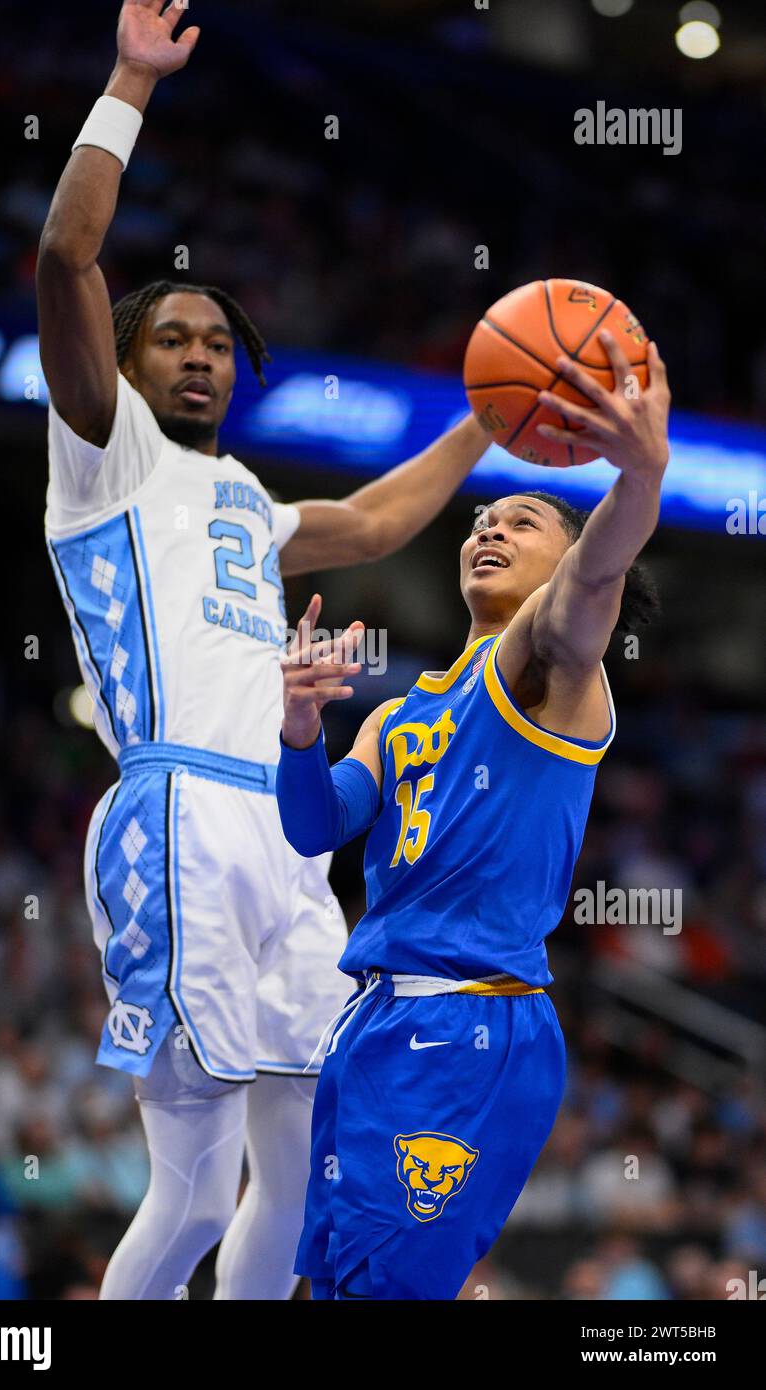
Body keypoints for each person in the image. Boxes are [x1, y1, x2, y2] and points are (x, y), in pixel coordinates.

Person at [36, 0, 494, 1300]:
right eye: (171, 336)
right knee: (193, 1184)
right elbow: (65, 255)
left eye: (217, 341)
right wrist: (129, 78)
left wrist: (488, 419)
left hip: (288, 840)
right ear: (124, 364)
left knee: (295, 1171)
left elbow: (370, 520)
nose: (199, 354)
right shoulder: (103, 453)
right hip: (176, 810)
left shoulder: (242, 496)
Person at [276, 333, 670, 1299]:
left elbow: (594, 579)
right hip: (370, 1025)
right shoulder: (398, 711)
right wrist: (294, 732)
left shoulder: (546, 667)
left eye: (524, 518)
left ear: (567, 559)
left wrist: (643, 472)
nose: (490, 527)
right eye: (483, 517)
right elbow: (318, 826)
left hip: (469, 1027)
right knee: (333, 1288)